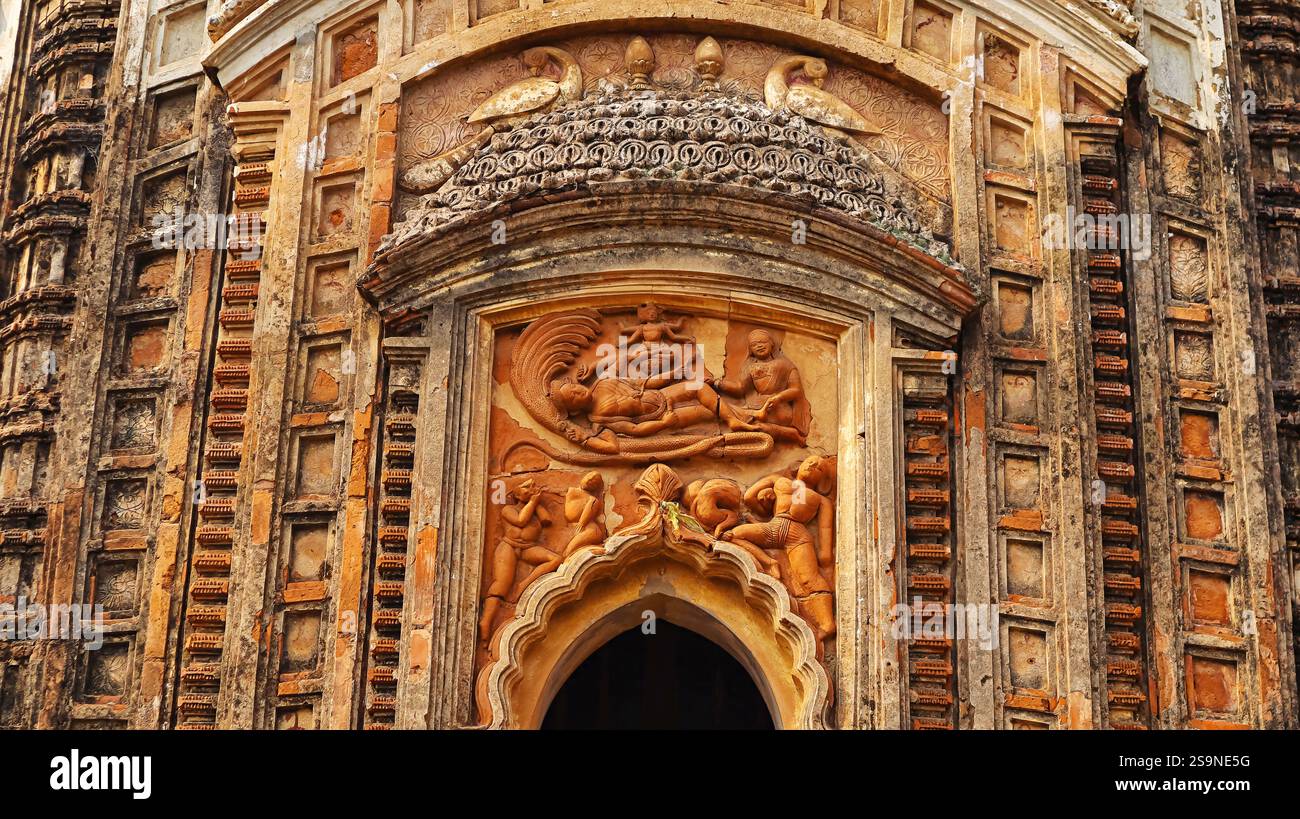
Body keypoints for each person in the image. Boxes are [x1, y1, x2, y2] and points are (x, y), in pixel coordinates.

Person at [712, 329, 811, 444]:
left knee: (730, 413)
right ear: (750, 350)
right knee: (732, 413)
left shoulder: (785, 365)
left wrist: (778, 398)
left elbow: (796, 389)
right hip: (756, 408)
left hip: (778, 409)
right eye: (754, 345)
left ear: (771, 344)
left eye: (762, 342)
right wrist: (717, 383)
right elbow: (740, 388)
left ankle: (789, 433)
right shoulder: (751, 367)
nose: (759, 346)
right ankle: (785, 433)